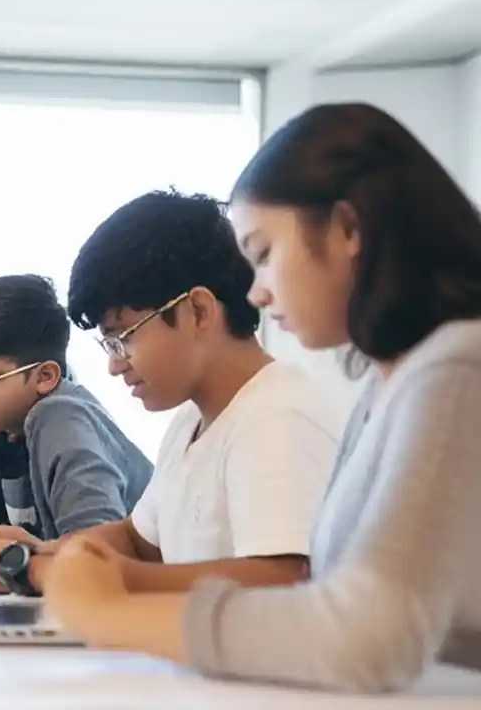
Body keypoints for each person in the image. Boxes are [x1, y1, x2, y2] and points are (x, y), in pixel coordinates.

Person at [41, 103, 481, 693]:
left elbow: (367, 633)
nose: (258, 291)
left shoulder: (456, 366)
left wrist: (111, 614)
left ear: (348, 230)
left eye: (265, 253)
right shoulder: (392, 386)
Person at [0, 190, 341, 597]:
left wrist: (79, 580)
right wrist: (43, 557)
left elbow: (283, 580)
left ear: (198, 310)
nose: (114, 363)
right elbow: (138, 542)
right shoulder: (191, 423)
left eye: (122, 338)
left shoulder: (277, 417)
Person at [0, 274, 152, 591]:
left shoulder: (61, 418)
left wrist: (9, 561)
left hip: (128, 610)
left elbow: (99, 558)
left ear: (45, 376)